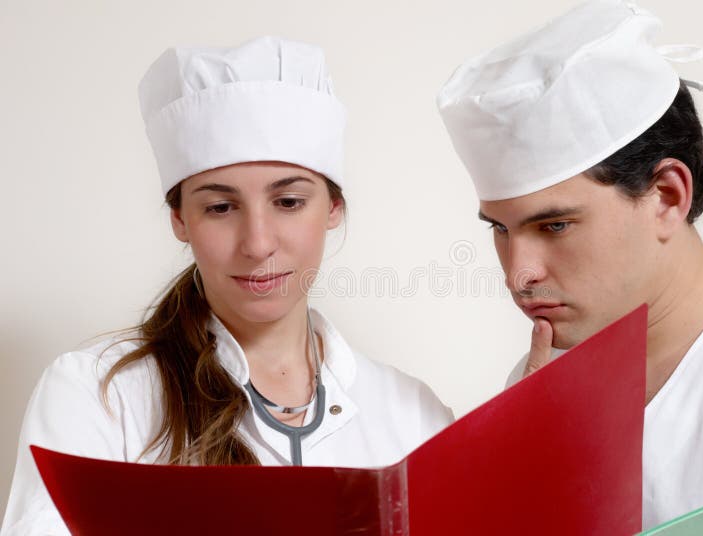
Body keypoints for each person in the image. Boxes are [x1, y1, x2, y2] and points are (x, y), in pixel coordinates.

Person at [2, 36, 453, 535]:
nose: (257, 244)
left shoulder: (414, 416)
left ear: (334, 208)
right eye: (220, 207)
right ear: (180, 220)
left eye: (288, 202)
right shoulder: (99, 397)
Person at [437, 0, 703, 529]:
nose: (520, 274)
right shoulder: (541, 385)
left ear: (667, 197)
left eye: (554, 226)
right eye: (500, 228)